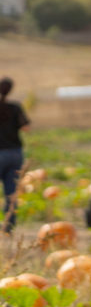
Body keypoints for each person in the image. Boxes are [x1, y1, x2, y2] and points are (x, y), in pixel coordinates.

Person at [0, 77, 28, 235]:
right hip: (14, 154)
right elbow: (26, 128)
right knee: (11, 192)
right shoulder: (15, 108)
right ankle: (8, 227)